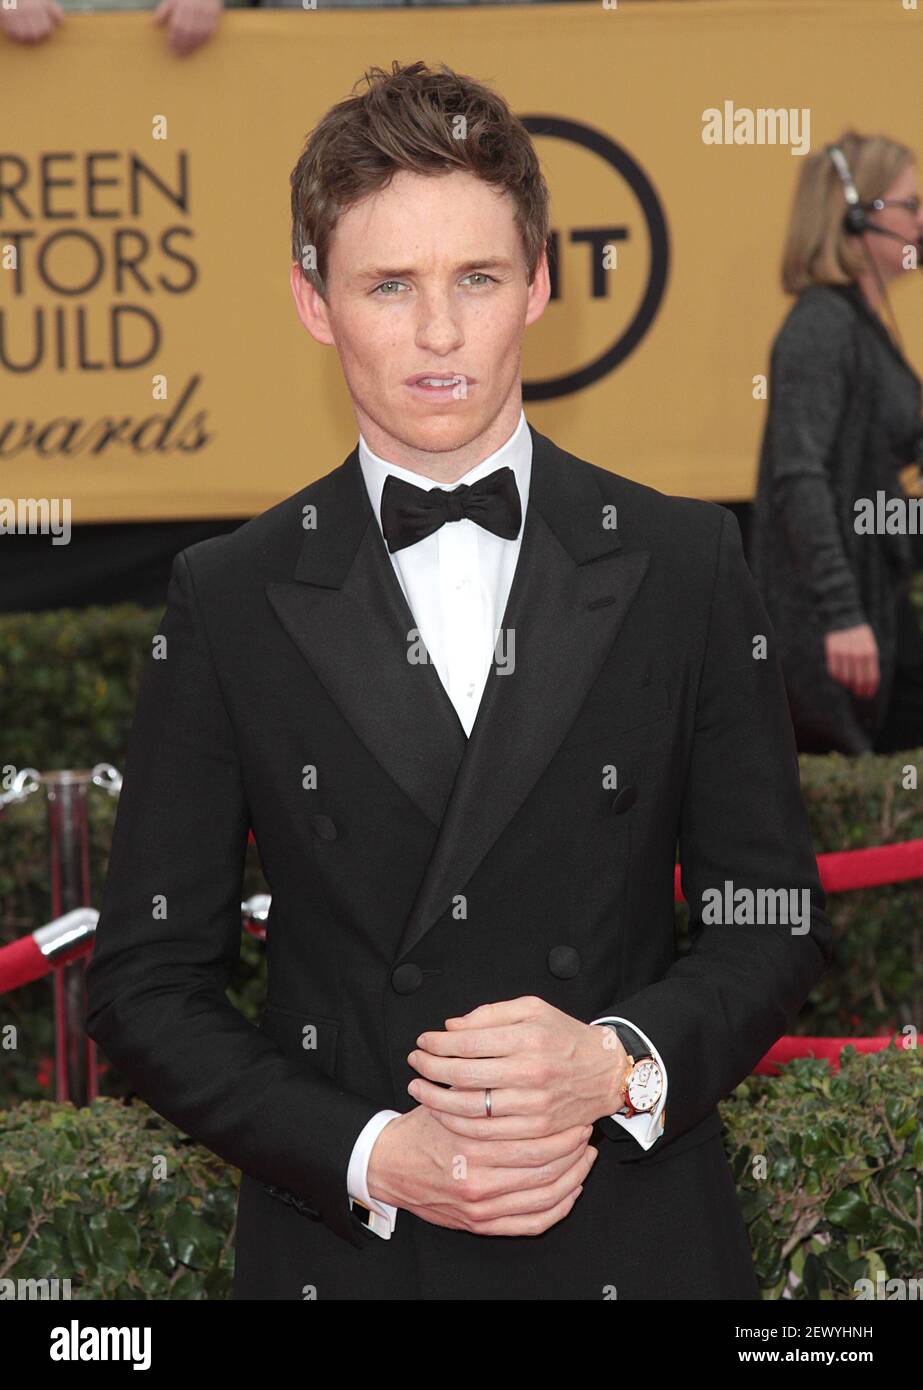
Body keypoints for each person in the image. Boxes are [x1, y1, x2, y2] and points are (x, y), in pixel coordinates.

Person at [86, 60, 833, 1300]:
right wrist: (375, 1154)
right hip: (357, 1256)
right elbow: (149, 981)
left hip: (631, 1239)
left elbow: (769, 916)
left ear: (537, 283)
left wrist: (617, 1062)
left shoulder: (684, 559)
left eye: (475, 279)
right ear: (313, 300)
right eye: (389, 285)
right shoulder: (228, 595)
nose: (439, 334)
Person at [750, 131, 923, 755]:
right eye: (910, 205)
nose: (920, 222)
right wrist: (842, 614)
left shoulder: (862, 327)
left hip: (878, 607)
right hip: (840, 628)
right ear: (855, 217)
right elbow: (799, 476)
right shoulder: (822, 327)